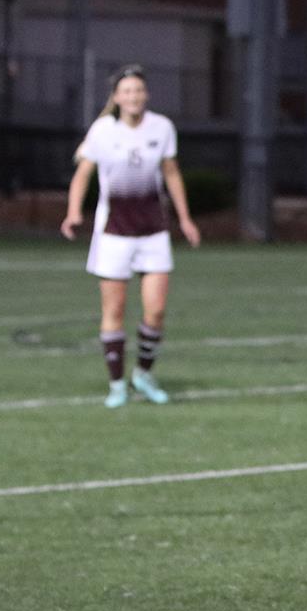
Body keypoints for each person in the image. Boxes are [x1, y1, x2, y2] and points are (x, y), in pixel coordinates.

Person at [60, 65, 200, 408]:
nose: (134, 96)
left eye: (139, 90)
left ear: (146, 94)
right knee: (115, 309)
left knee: (155, 311)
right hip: (114, 234)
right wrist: (74, 211)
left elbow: (171, 173)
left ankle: (143, 374)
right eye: (127, 91)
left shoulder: (162, 127)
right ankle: (117, 384)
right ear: (117, 97)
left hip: (153, 231)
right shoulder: (102, 131)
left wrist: (184, 218)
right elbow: (82, 175)